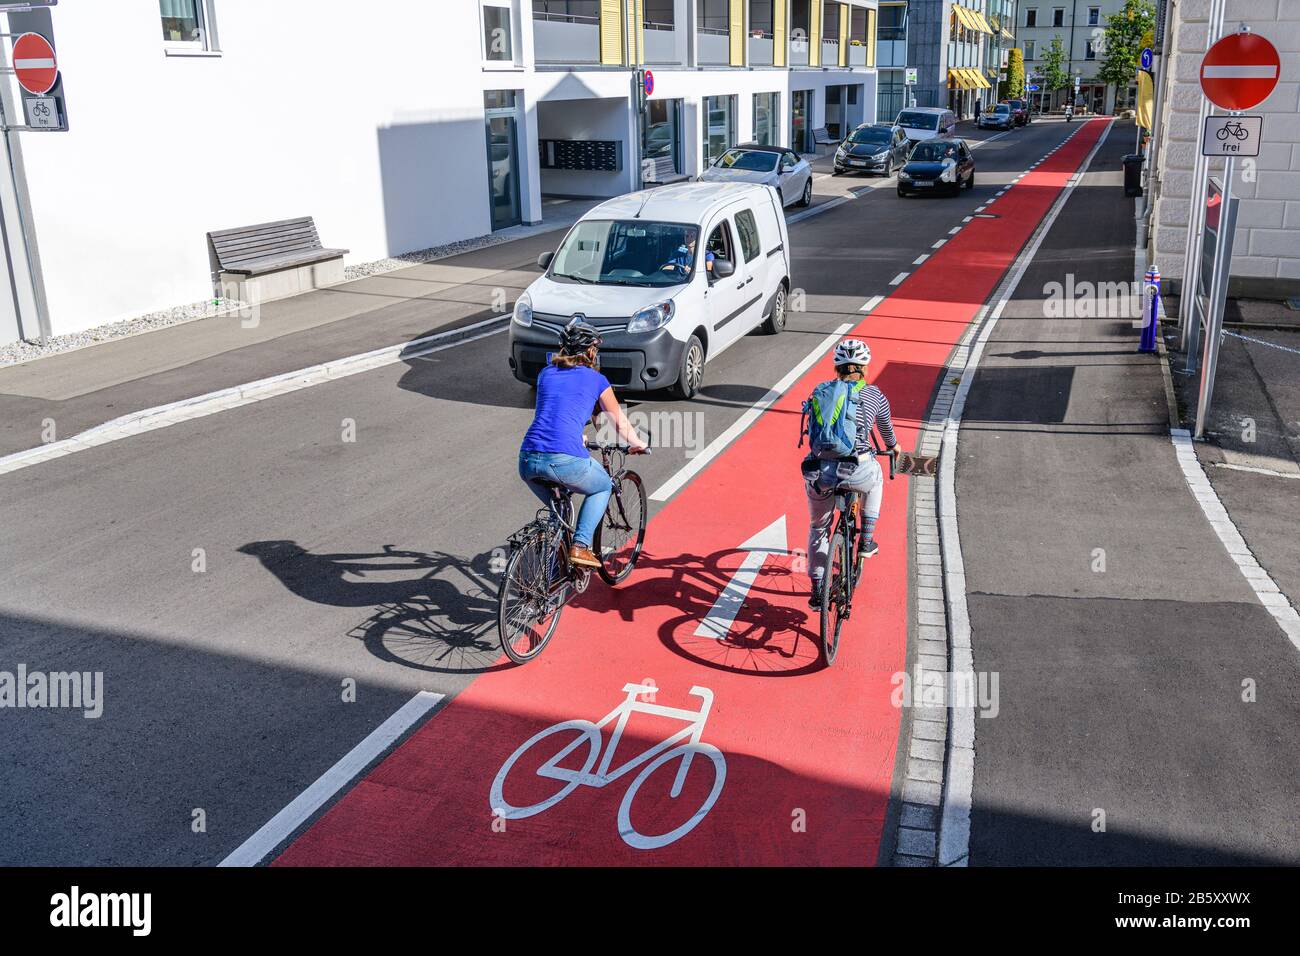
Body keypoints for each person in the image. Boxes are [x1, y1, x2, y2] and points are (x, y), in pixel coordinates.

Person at [519, 318, 648, 568]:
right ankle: (580, 546)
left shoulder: (546, 373)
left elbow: (552, 413)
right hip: (563, 459)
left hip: (527, 459)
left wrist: (577, 436)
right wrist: (637, 442)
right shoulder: (596, 380)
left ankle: (550, 577)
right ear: (591, 351)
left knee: (560, 510)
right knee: (602, 487)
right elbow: (618, 421)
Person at [801, 339, 898, 609]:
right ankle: (866, 540)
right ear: (865, 368)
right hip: (858, 468)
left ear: (836, 367)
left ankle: (818, 590)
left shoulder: (821, 392)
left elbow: (813, 432)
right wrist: (893, 447)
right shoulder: (875, 395)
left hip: (820, 471)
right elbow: (887, 431)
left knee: (818, 528)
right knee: (876, 480)